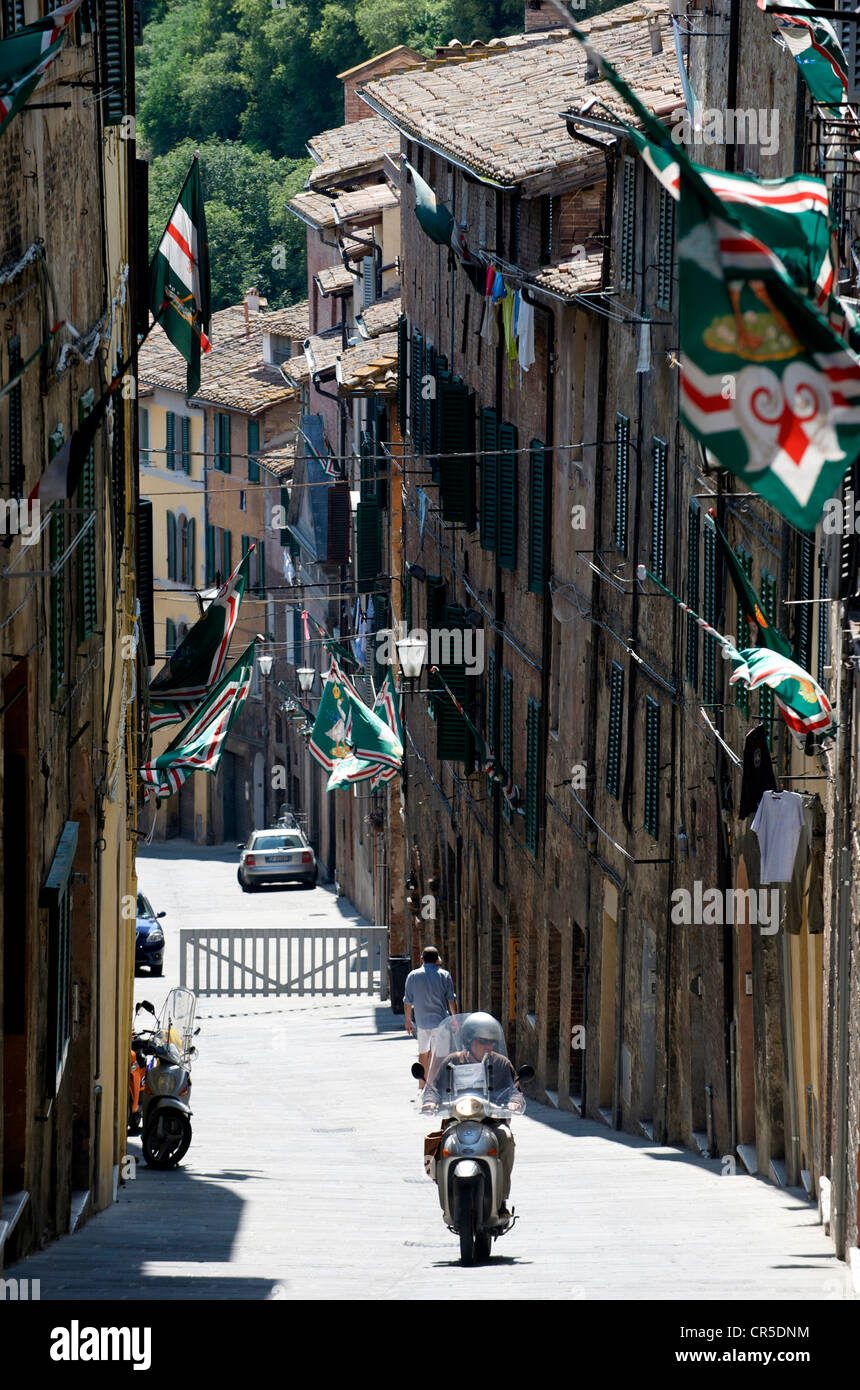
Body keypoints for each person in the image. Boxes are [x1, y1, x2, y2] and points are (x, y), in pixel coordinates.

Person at [424, 1011, 520, 1219]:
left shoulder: (502, 1064)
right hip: (457, 1120)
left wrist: (514, 1102)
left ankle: (501, 1200)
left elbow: (514, 1089)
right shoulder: (452, 1062)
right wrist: (430, 1100)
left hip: (491, 1120)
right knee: (442, 1145)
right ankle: (447, 1196)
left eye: (491, 1042)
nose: (488, 1047)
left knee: (506, 1138)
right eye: (482, 1041)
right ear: (469, 1041)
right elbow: (433, 1087)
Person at [403, 946, 457, 1090]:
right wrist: (455, 1018)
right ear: (436, 959)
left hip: (422, 1023)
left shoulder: (413, 976)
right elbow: (451, 1000)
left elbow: (407, 1001)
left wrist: (408, 1020)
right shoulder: (444, 975)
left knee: (423, 1054)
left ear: (422, 959)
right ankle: (436, 1086)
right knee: (440, 1056)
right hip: (441, 1023)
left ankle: (422, 1086)